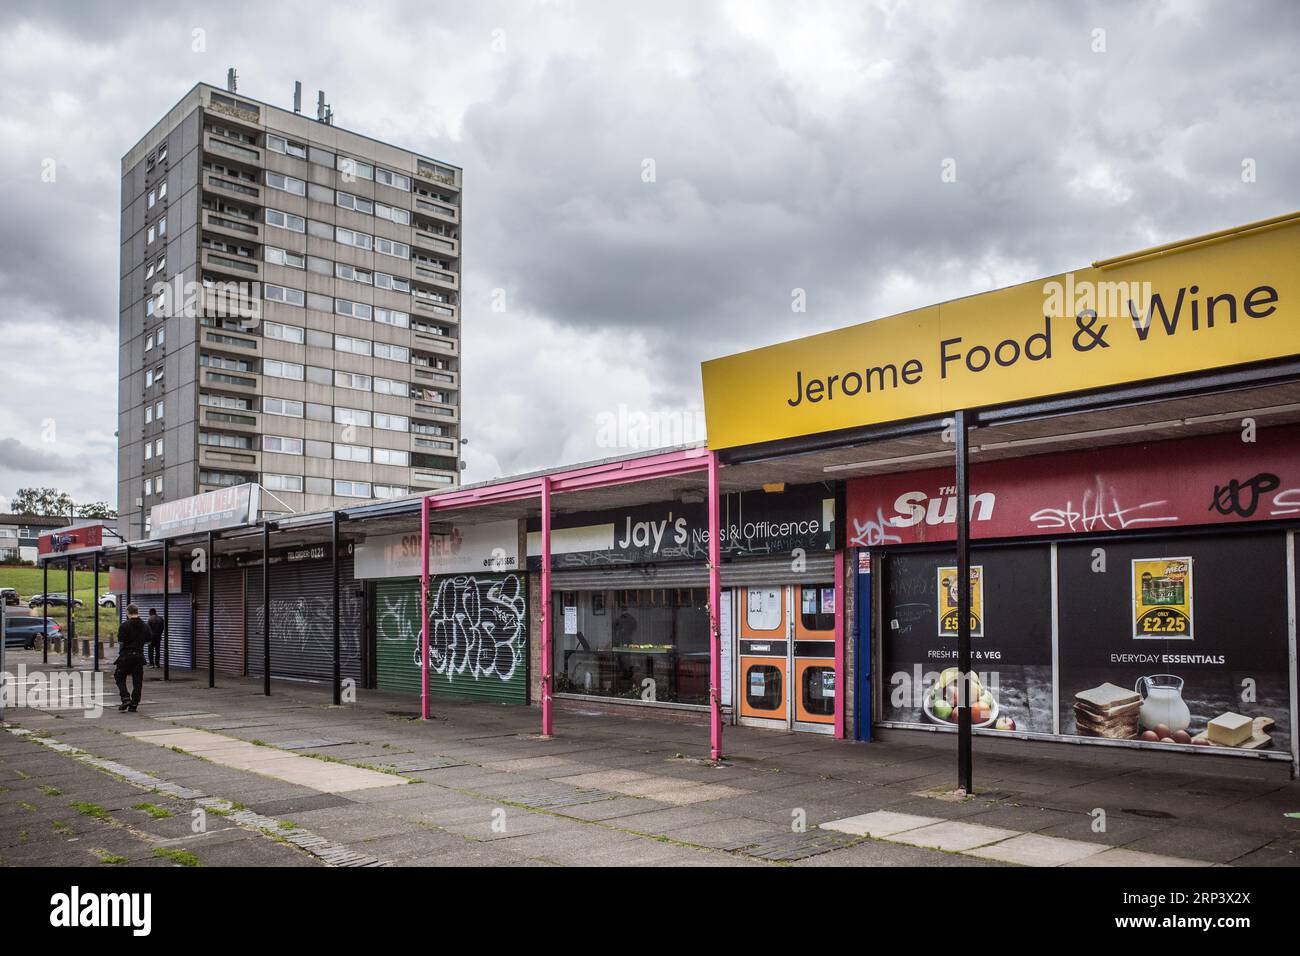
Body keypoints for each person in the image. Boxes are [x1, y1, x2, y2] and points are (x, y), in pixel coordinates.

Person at [114, 604, 149, 712]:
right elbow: (148, 641)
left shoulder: (124, 625)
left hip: (126, 656)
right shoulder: (145, 626)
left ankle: (125, 698)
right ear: (137, 612)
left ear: (128, 612)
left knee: (119, 677)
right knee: (137, 681)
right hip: (139, 656)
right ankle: (134, 704)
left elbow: (121, 641)